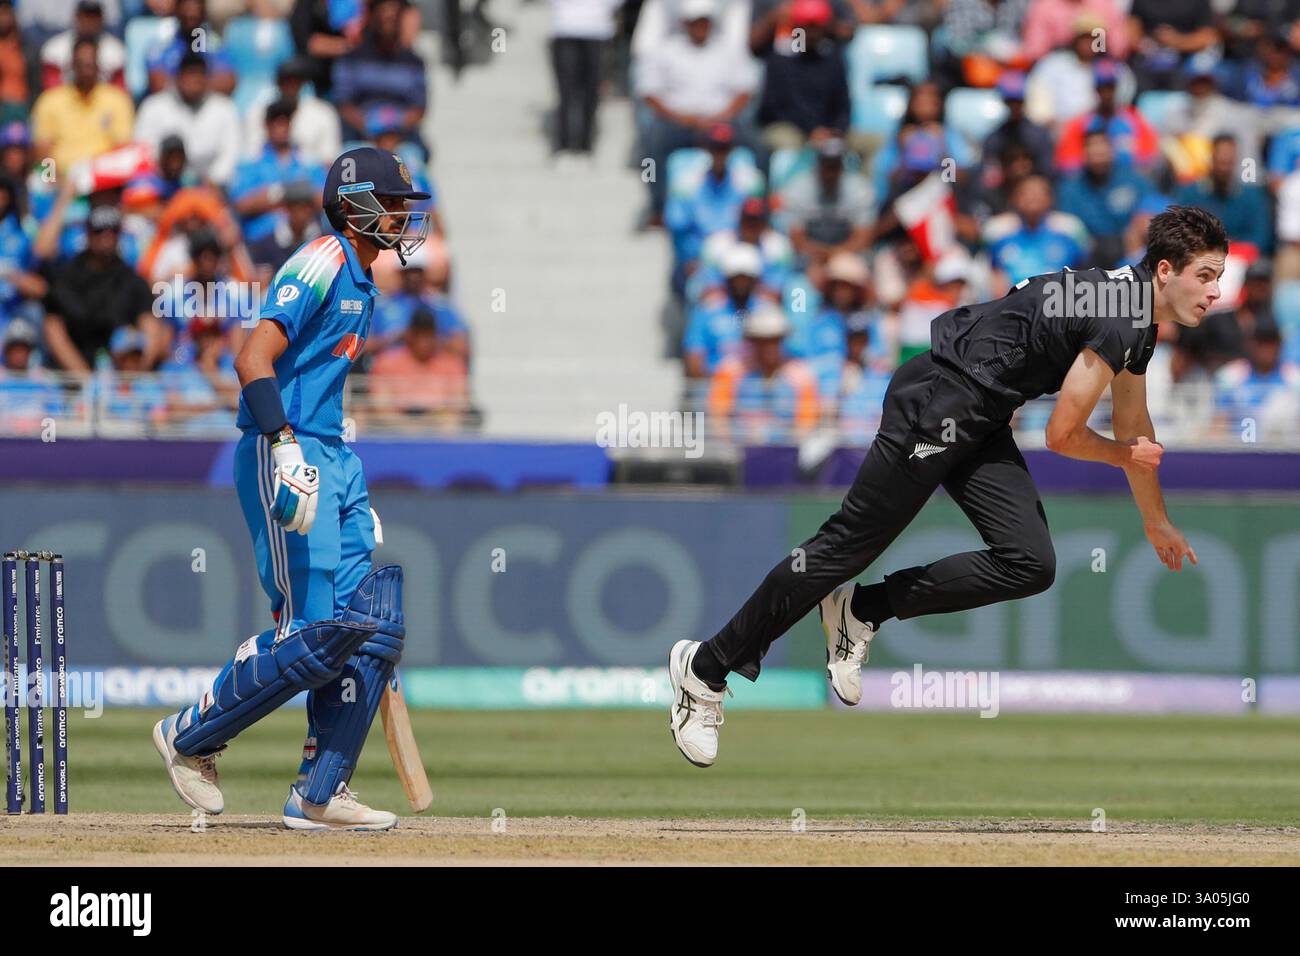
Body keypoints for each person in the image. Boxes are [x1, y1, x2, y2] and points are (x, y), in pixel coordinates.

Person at [669, 205, 1222, 767]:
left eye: (1219, 276)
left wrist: (1155, 519)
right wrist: (1121, 455)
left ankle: (861, 610)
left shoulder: (1133, 314)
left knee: (1031, 561)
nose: (1216, 291)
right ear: (1163, 271)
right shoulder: (1120, 317)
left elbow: (1134, 428)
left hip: (981, 412)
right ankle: (705, 669)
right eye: (1205, 275)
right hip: (938, 398)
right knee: (845, 545)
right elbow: (1064, 436)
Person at [152, 146, 432, 830]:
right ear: (358, 205)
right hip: (287, 450)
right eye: (394, 201)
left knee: (373, 628)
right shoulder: (323, 260)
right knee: (314, 634)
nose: (404, 214)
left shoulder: (366, 282)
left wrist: (342, 473)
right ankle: (190, 737)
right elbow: (252, 356)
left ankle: (319, 791)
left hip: (334, 455)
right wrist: (283, 447)